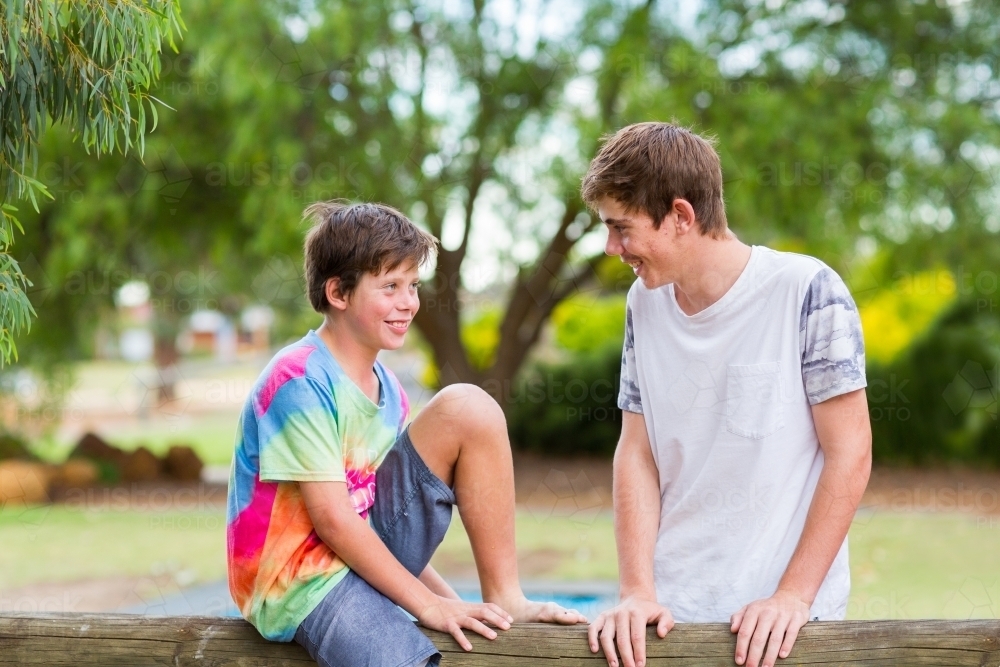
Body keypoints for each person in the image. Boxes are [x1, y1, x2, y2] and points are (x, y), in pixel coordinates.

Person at [226, 201, 586, 667]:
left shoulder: (389, 391)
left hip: (354, 557)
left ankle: (507, 595)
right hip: (301, 582)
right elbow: (334, 520)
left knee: (468, 407)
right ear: (338, 292)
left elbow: (371, 520)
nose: (409, 302)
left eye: (413, 285)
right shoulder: (299, 379)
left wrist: (453, 603)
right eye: (390, 286)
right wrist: (427, 605)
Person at [581, 123, 872, 667]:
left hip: (785, 629)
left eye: (622, 228)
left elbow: (850, 453)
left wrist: (793, 597)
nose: (611, 247)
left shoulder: (808, 290)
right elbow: (636, 453)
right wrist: (637, 590)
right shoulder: (643, 305)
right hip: (672, 621)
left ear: (681, 216)